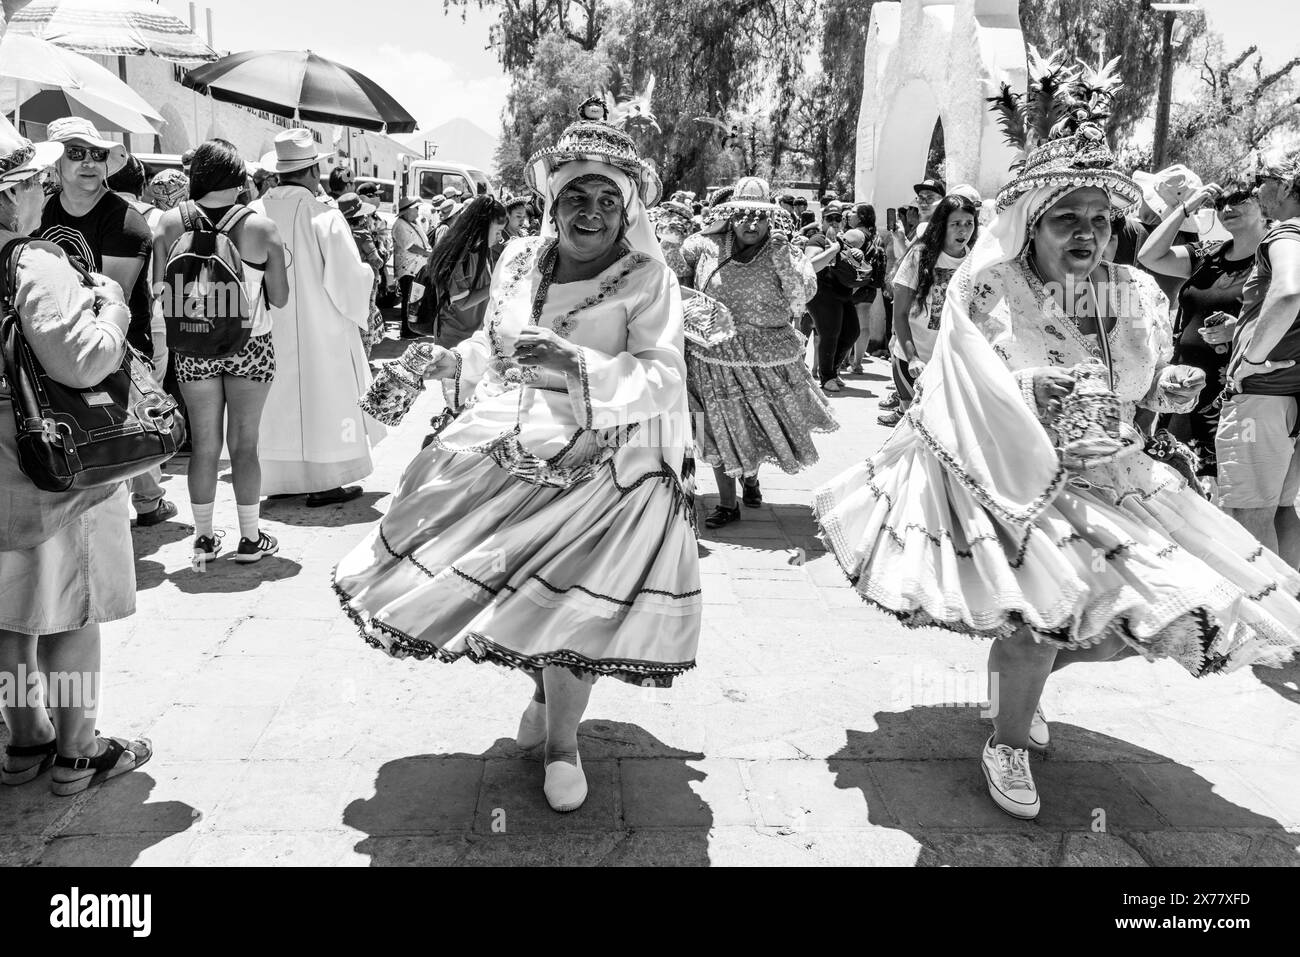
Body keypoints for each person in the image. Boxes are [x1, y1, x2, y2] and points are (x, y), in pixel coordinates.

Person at [814, 123, 1300, 822]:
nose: (1089, 233)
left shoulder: (1127, 292)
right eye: (1068, 217)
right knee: (1039, 621)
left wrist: (1167, 391)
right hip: (1013, 475)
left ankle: (1016, 685)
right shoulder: (989, 286)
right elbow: (955, 377)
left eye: (1101, 220)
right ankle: (1008, 738)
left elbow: (1134, 383)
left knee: (1140, 624)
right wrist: (1026, 389)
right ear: (1031, 223)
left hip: (1114, 477)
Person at [335, 112, 701, 813]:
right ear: (551, 201)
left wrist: (579, 365)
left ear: (626, 210)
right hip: (507, 452)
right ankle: (543, 690)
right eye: (575, 198)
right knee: (526, 598)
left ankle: (563, 740)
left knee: (571, 606)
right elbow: (497, 349)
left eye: (605, 201)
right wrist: (453, 360)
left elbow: (665, 375)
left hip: (603, 469)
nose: (589, 213)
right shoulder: (518, 260)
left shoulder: (648, 277)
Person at [0, 120, 152, 794]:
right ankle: (78, 750)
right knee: (71, 609)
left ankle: (24, 736)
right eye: (34, 182)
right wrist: (114, 311)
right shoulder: (33, 261)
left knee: (8, 613)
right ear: (12, 196)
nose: (43, 192)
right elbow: (81, 357)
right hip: (53, 465)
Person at [664, 176, 835, 528]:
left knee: (756, 423)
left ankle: (751, 477)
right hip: (710, 356)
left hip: (766, 358)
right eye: (742, 215)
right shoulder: (705, 245)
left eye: (759, 216)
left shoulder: (784, 251)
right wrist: (670, 236)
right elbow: (671, 276)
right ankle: (728, 503)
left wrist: (783, 256)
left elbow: (801, 299)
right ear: (730, 215)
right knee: (716, 427)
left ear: (770, 218)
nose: (751, 223)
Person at [153, 140, 289, 563]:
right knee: (244, 446)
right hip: (250, 343)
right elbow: (281, 298)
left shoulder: (169, 224)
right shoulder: (261, 228)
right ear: (237, 179)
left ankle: (205, 539)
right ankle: (250, 539)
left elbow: (158, 291)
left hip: (194, 343)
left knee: (206, 446)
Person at [37, 118, 178, 528]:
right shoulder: (40, 210)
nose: (88, 163)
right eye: (75, 153)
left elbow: (109, 297)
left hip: (115, 352)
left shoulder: (126, 223)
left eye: (96, 154)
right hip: (54, 344)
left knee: (114, 447)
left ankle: (126, 517)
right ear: (55, 165)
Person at [251, 128, 384, 507]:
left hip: (266, 327)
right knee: (325, 398)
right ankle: (325, 481)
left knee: (276, 400)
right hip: (320, 328)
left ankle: (281, 479)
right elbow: (347, 279)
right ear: (313, 171)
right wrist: (368, 278)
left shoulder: (255, 212)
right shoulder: (322, 215)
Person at [1139, 177, 1269, 481]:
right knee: (1175, 478)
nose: (1227, 207)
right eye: (1221, 202)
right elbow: (1150, 256)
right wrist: (1187, 207)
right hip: (1184, 386)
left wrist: (1239, 330)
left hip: (1234, 394)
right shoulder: (1207, 254)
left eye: (1239, 198)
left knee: (1229, 488)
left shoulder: (1275, 260)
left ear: (1266, 208)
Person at [1215, 157, 1300, 566]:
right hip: (1289, 399)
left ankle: (1265, 625)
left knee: (1247, 514)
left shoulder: (1286, 231)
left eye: (1260, 181)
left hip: (1263, 396)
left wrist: (1250, 358)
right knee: (1283, 510)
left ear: (1284, 187)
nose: (1255, 190)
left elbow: (1289, 294)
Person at [880, 193, 979, 426]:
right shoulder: (920, 256)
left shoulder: (975, 260)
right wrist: (913, 357)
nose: (963, 231)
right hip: (913, 362)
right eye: (956, 224)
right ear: (941, 225)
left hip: (951, 365)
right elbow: (900, 314)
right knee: (915, 429)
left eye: (969, 224)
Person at [420, 194, 506, 349]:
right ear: (483, 226)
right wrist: (496, 285)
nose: (500, 237)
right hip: (454, 340)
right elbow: (462, 303)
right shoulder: (461, 256)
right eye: (498, 231)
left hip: (473, 337)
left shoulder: (482, 250)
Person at [806, 218, 873, 392]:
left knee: (852, 332)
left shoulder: (850, 244)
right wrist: (833, 249)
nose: (835, 223)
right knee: (830, 334)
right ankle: (826, 377)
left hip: (843, 294)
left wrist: (857, 256)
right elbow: (810, 265)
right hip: (821, 294)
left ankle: (832, 370)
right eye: (830, 219)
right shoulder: (818, 240)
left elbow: (859, 271)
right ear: (823, 222)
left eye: (838, 220)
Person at [340, 192, 386, 354]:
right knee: (365, 321)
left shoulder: (340, 231)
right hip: (364, 286)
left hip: (344, 284)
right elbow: (377, 261)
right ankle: (364, 361)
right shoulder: (362, 234)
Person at [392, 196, 430, 339]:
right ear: (407, 211)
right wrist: (428, 253)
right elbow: (410, 246)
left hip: (416, 269)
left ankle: (413, 329)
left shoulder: (412, 223)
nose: (418, 212)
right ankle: (407, 331)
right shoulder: (400, 225)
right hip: (408, 269)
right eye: (416, 208)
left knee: (414, 301)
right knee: (409, 301)